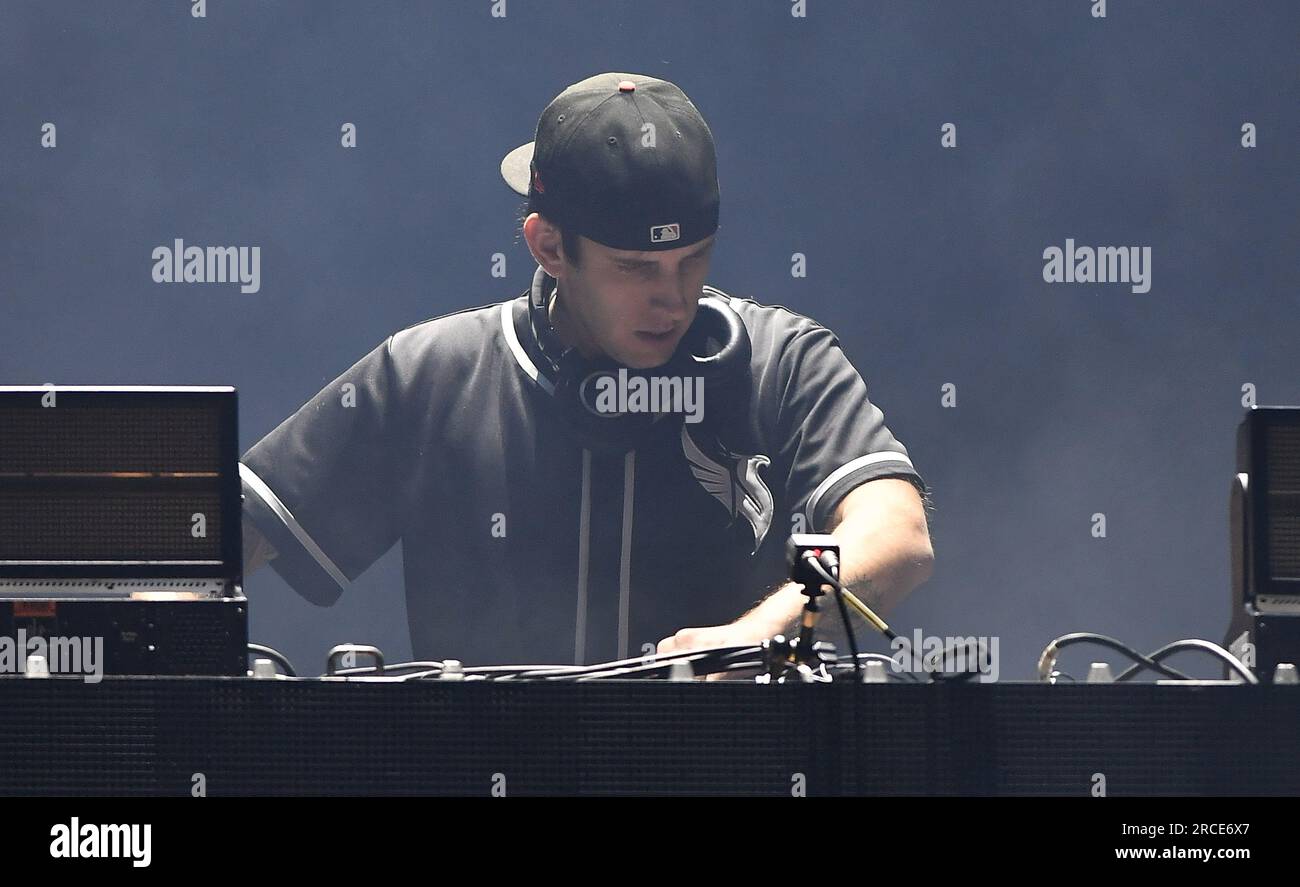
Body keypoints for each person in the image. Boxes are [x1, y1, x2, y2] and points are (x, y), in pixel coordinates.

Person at [239, 72, 933, 668]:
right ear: (548, 245)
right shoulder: (429, 374)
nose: (673, 296)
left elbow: (895, 535)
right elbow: (204, 553)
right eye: (634, 268)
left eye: (693, 259)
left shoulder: (785, 361)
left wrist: (756, 636)